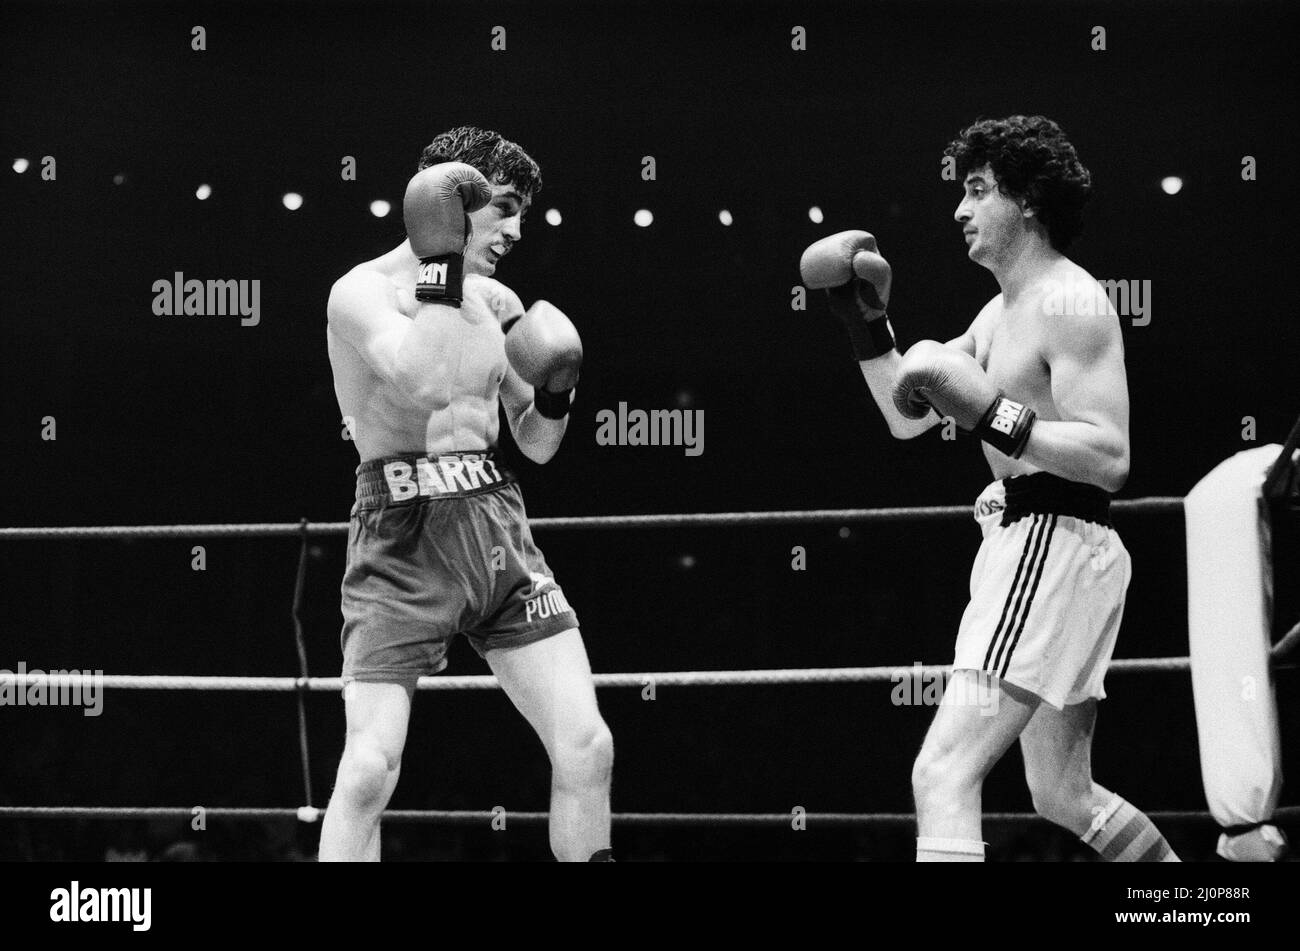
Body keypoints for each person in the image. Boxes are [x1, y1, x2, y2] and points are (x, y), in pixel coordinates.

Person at [800, 115, 1177, 862]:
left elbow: (1109, 456)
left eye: (977, 191)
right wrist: (867, 328)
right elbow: (910, 418)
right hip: (1044, 547)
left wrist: (1000, 418)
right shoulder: (997, 311)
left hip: (1050, 539)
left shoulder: (1070, 302)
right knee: (1064, 794)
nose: (958, 211)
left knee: (943, 771)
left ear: (1028, 200)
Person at [320, 126, 613, 862]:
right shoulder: (358, 292)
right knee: (367, 771)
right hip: (400, 533)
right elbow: (419, 375)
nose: (517, 230)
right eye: (505, 207)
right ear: (452, 197)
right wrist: (443, 265)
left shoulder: (499, 301)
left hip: (493, 522)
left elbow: (537, 442)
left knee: (587, 744)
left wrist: (558, 386)